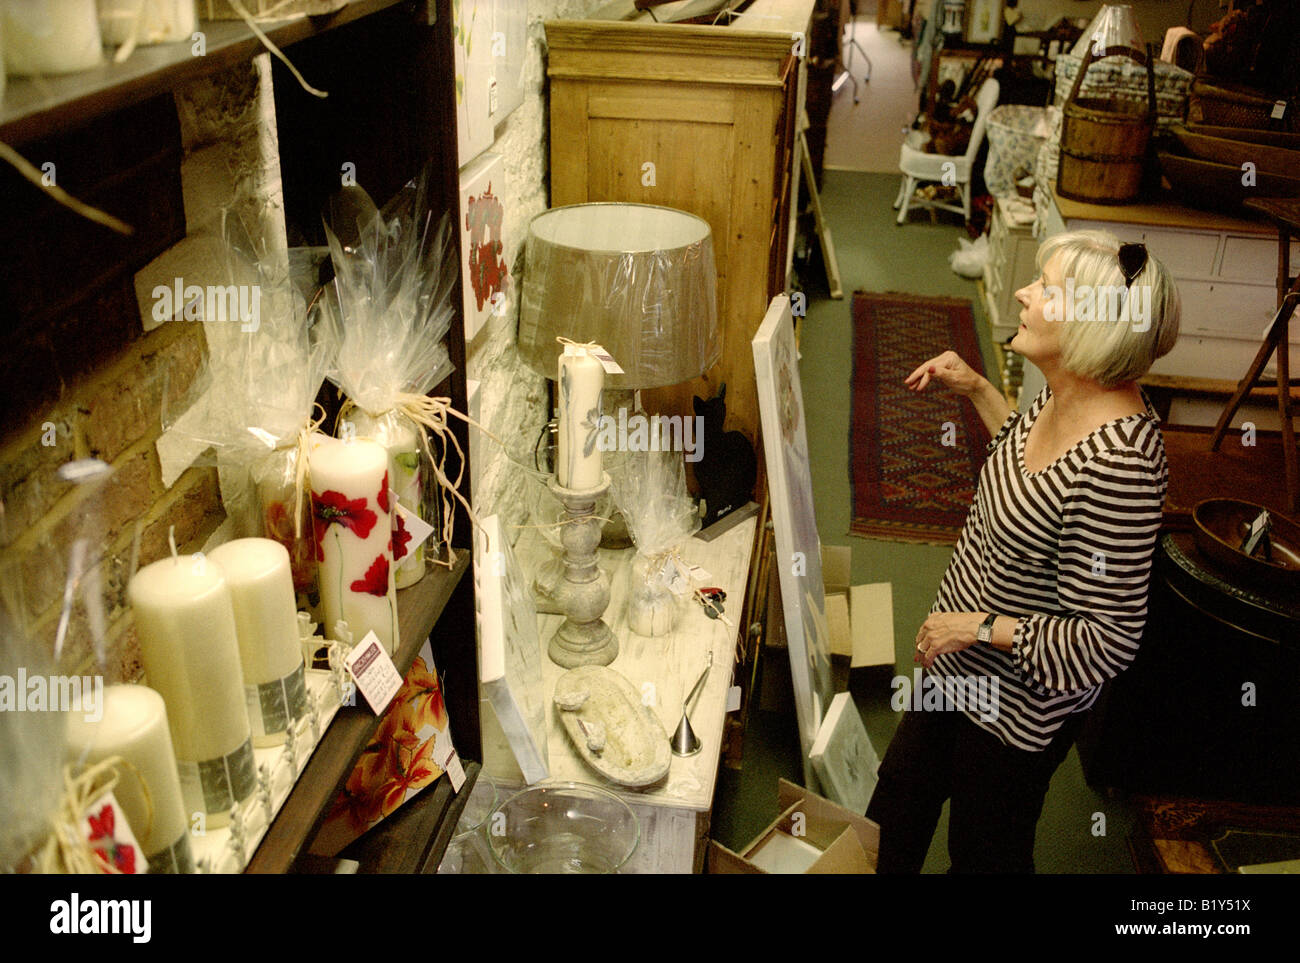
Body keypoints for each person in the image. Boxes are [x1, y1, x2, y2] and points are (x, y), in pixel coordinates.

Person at [865, 229, 1181, 873]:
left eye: (1046, 288)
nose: (1022, 292)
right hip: (956, 665)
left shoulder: (1119, 465)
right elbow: (1032, 478)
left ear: (1094, 327)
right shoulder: (1062, 392)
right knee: (892, 814)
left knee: (983, 854)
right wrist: (979, 388)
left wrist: (979, 628)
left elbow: (1108, 641)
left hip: (1017, 709)